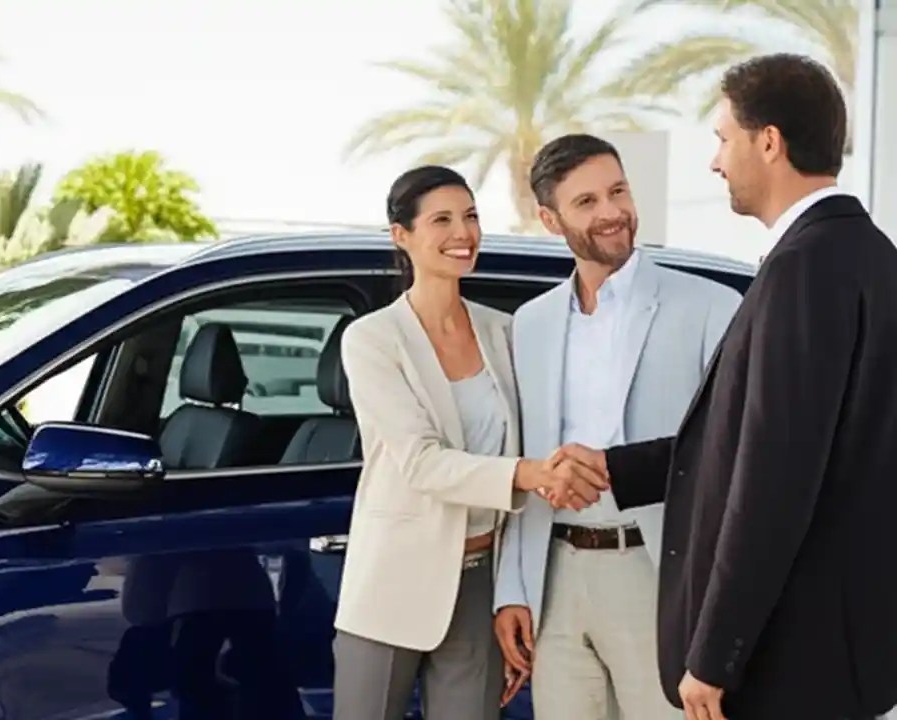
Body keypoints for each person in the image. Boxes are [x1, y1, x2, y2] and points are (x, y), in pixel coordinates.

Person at [550, 53, 897, 720]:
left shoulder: (806, 270)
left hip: (792, 656)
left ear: (769, 142)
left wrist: (714, 657)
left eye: (722, 138)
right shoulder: (867, 255)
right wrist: (618, 468)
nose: (714, 161)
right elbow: (747, 440)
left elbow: (775, 478)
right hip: (839, 649)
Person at [331, 165, 607, 720]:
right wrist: (527, 474)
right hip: (393, 583)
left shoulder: (504, 331)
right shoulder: (372, 340)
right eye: (442, 220)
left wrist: (515, 591)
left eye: (471, 216)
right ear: (401, 236)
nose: (464, 233)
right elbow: (421, 462)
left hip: (481, 583)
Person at [492, 133, 740, 720]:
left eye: (618, 191)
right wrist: (512, 589)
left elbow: (733, 454)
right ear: (550, 220)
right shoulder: (531, 323)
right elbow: (520, 458)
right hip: (556, 577)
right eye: (586, 202)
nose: (610, 213)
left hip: (658, 574)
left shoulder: (711, 307)